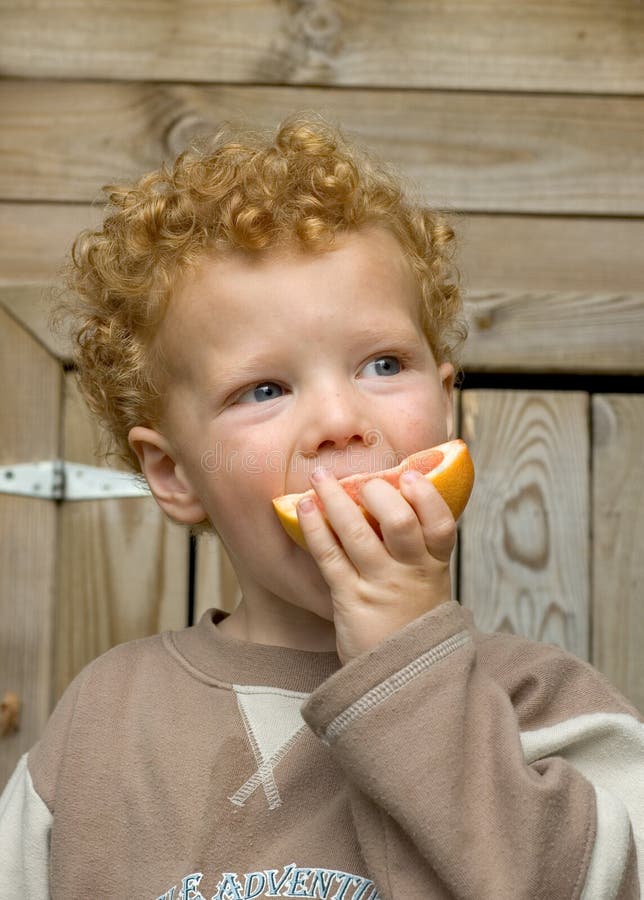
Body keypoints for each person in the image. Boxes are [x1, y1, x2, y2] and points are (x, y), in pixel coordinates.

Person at [0, 114, 642, 900]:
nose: (341, 422)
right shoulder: (100, 722)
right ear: (173, 473)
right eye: (264, 389)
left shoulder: (543, 707)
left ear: (445, 410)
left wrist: (409, 672)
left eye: (382, 363)